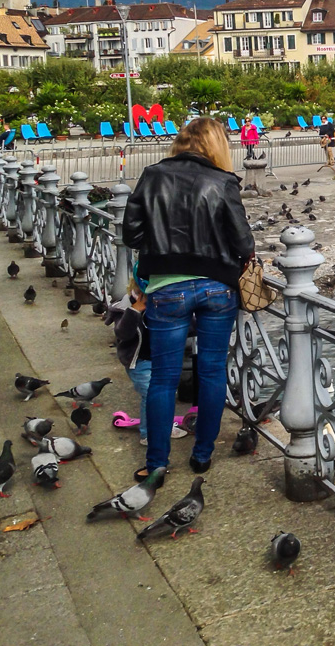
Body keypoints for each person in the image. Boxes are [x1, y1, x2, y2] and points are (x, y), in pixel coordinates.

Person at [124, 117, 254, 482]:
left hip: (166, 287)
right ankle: (202, 455)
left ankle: (157, 464)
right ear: (216, 146)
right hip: (217, 288)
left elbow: (132, 235)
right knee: (212, 372)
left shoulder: (152, 175)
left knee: (164, 379)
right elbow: (244, 244)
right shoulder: (223, 181)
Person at [105, 269, 190, 446]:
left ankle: (163, 426)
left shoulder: (163, 303)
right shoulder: (126, 306)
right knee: (152, 395)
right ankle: (148, 434)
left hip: (162, 359)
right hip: (140, 362)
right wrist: (135, 311)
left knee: (165, 394)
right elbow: (123, 333)